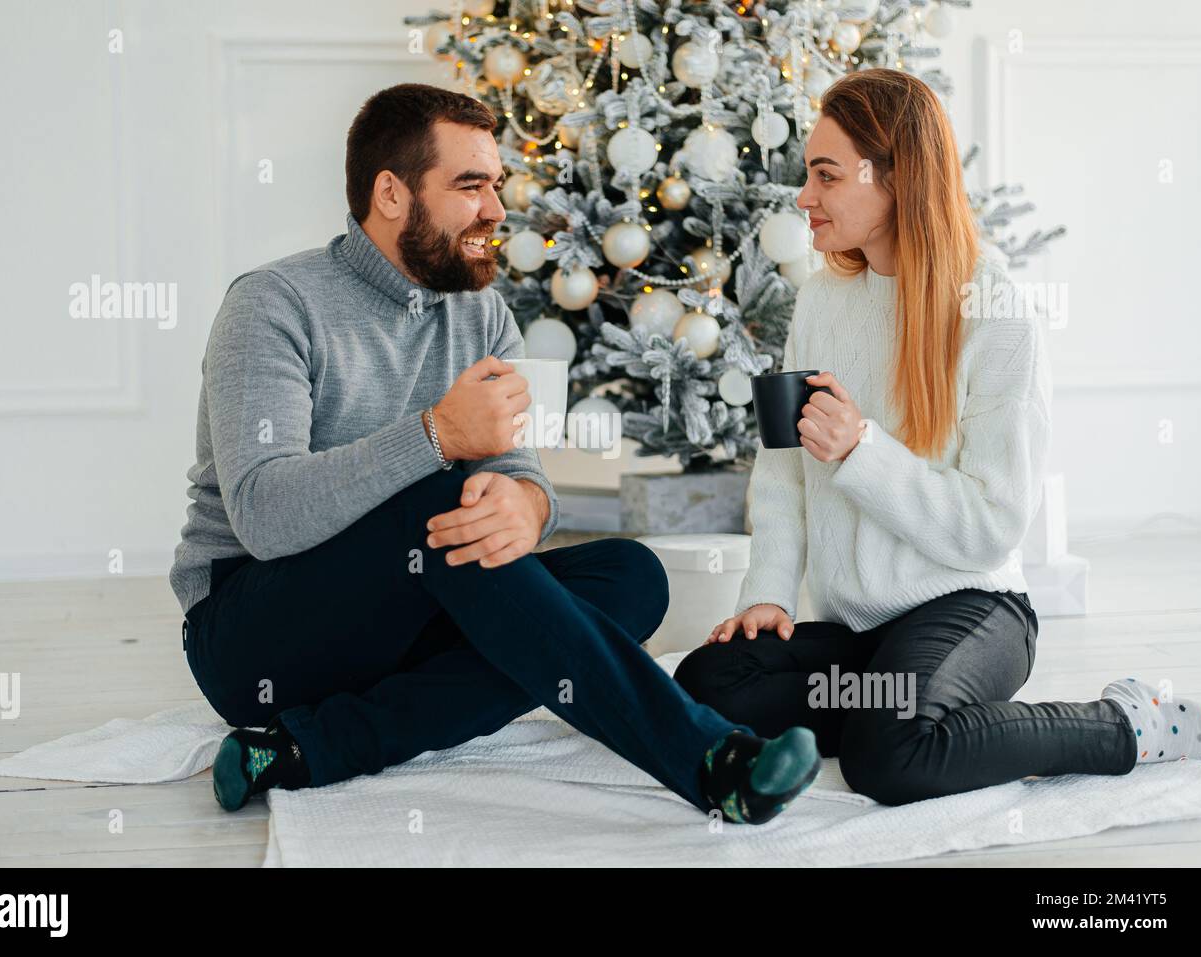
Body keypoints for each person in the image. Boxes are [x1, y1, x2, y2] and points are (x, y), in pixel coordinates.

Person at [169, 83, 820, 823]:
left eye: (496, 185)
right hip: (255, 636)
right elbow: (264, 515)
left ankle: (307, 749)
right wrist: (436, 436)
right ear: (391, 193)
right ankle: (713, 762)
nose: (496, 211)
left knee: (630, 577)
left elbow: (516, 470)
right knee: (439, 504)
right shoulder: (273, 304)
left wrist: (527, 504)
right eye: (469, 186)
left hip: (404, 617)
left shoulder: (481, 315)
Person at [674, 68, 1201, 806]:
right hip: (858, 629)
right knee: (706, 682)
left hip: (969, 606)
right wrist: (768, 590)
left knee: (889, 759)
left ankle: (1129, 722)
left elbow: (993, 528)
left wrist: (862, 451)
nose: (804, 198)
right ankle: (898, 709)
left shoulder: (993, 307)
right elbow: (782, 469)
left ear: (897, 178)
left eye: (826, 176)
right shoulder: (823, 298)